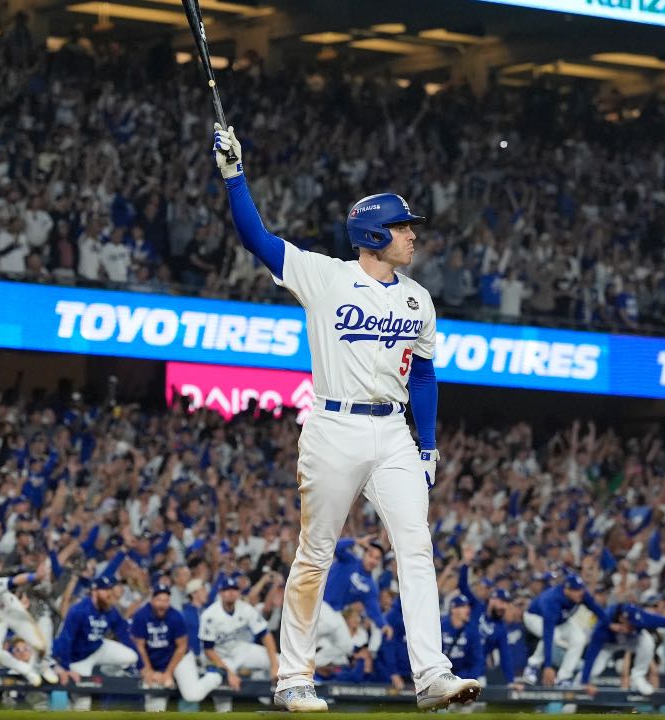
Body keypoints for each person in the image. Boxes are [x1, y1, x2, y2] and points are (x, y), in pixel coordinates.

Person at [213, 123, 479, 712]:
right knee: (317, 552)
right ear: (373, 233)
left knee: (416, 546)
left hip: (393, 433)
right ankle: (293, 679)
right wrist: (235, 177)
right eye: (403, 227)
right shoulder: (327, 276)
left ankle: (431, 675)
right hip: (333, 426)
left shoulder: (418, 297)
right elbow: (256, 237)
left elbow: (426, 376)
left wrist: (428, 443)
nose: (411, 236)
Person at [130, 584, 221, 712]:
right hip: (154, 660)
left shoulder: (175, 616)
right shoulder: (141, 616)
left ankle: (214, 677)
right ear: (152, 599)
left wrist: (168, 672)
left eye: (166, 600)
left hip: (179, 658)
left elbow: (181, 647)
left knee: (192, 695)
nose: (162, 604)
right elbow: (139, 646)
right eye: (159, 600)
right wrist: (149, 671)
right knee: (154, 707)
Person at [53, 576, 138, 711]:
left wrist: (143, 666)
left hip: (98, 648)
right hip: (78, 658)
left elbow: (124, 634)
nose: (109, 594)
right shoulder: (79, 610)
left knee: (132, 656)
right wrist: (66, 667)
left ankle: (110, 670)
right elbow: (66, 639)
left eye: (110, 589)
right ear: (94, 592)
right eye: (105, 590)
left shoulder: (110, 610)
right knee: (83, 703)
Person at [198, 573, 278, 713]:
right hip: (219, 656)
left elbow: (265, 634)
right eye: (227, 590)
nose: (231, 593)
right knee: (222, 694)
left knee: (281, 661)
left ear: (239, 592)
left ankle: (291, 700)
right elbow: (208, 650)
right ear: (221, 593)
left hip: (240, 649)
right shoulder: (210, 615)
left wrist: (274, 665)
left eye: (234, 589)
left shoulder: (245, 608)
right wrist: (228, 672)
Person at [577, 603, 665, 694]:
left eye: (636, 624)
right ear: (622, 619)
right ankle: (578, 684)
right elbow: (591, 655)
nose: (634, 627)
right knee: (596, 668)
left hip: (630, 640)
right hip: (608, 644)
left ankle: (638, 676)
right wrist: (585, 681)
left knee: (647, 640)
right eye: (631, 624)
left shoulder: (641, 617)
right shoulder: (603, 626)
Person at [523, 574, 607, 687]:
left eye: (581, 588)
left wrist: (610, 624)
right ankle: (533, 666)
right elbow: (548, 634)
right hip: (535, 617)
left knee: (579, 638)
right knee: (554, 636)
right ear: (566, 590)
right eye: (576, 590)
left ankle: (564, 677)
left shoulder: (581, 595)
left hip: (561, 621)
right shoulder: (551, 600)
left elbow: (596, 609)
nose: (580, 592)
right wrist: (548, 666)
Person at [441, 596, 485, 683]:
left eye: (468, 606)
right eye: (463, 606)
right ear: (454, 609)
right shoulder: (441, 626)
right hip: (441, 674)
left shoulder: (472, 630)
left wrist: (470, 679)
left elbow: (477, 659)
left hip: (463, 675)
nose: (468, 609)